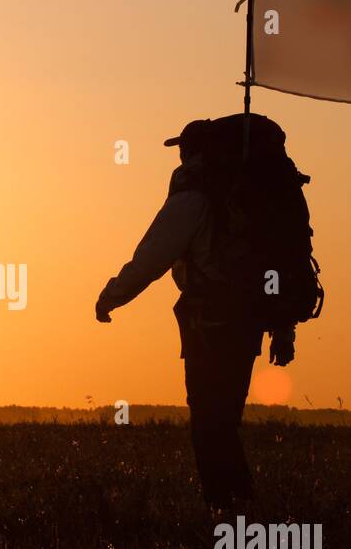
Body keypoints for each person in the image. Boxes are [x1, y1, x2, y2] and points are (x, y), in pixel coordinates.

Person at [95, 114, 296, 513]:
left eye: (185, 148)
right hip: (248, 321)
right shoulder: (246, 199)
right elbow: (276, 259)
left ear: (196, 153)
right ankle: (242, 507)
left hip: (209, 320)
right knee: (224, 418)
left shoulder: (193, 199)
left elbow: (152, 257)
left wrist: (112, 295)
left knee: (207, 420)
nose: (181, 156)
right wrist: (282, 327)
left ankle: (223, 509)